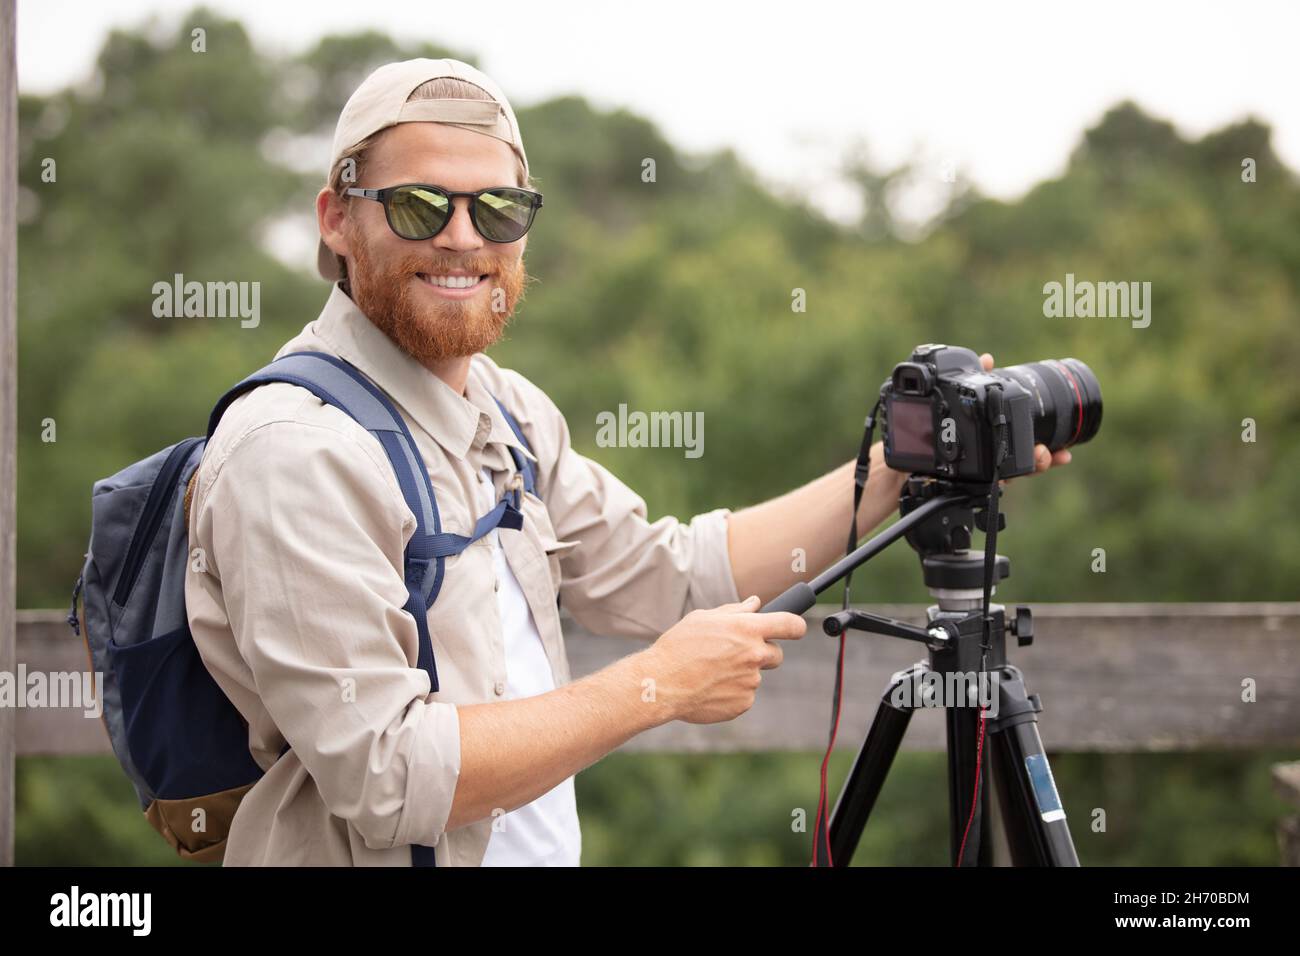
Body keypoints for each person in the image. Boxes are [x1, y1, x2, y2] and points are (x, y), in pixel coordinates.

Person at [184, 58, 1069, 867]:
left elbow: (672, 577)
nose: (463, 238)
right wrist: (657, 686)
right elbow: (387, 775)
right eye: (420, 205)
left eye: (497, 208)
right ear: (337, 218)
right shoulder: (295, 451)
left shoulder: (507, 411)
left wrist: (890, 473)